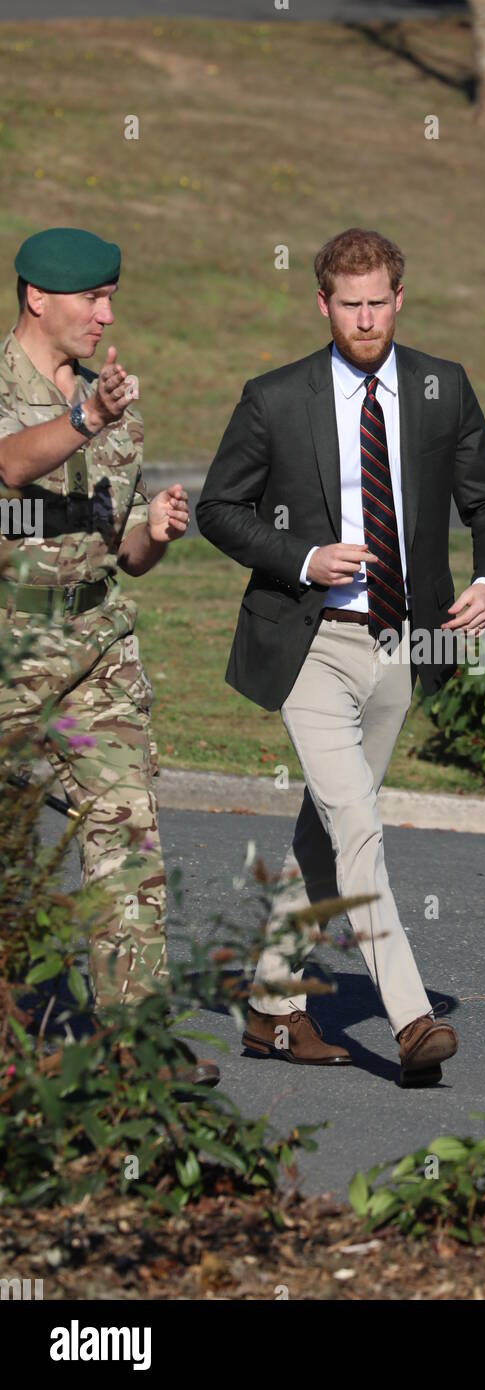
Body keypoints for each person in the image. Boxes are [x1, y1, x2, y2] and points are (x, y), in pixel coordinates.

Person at [197, 227, 485, 1086]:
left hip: (400, 644)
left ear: (399, 299)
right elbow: (218, 509)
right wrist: (303, 556)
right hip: (307, 642)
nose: (367, 319)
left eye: (380, 303)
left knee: (327, 833)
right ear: (323, 304)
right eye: (351, 305)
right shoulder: (275, 398)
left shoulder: (442, 388)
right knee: (360, 826)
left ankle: (271, 1007)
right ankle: (411, 1019)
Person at [0, 226, 218, 1086]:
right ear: (37, 297)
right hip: (10, 651)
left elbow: (118, 551)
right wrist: (85, 421)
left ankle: (137, 1046)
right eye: (92, 298)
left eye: (111, 297)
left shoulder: (112, 404)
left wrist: (154, 532)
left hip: (94, 652)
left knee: (125, 828)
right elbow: (9, 466)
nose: (106, 314)